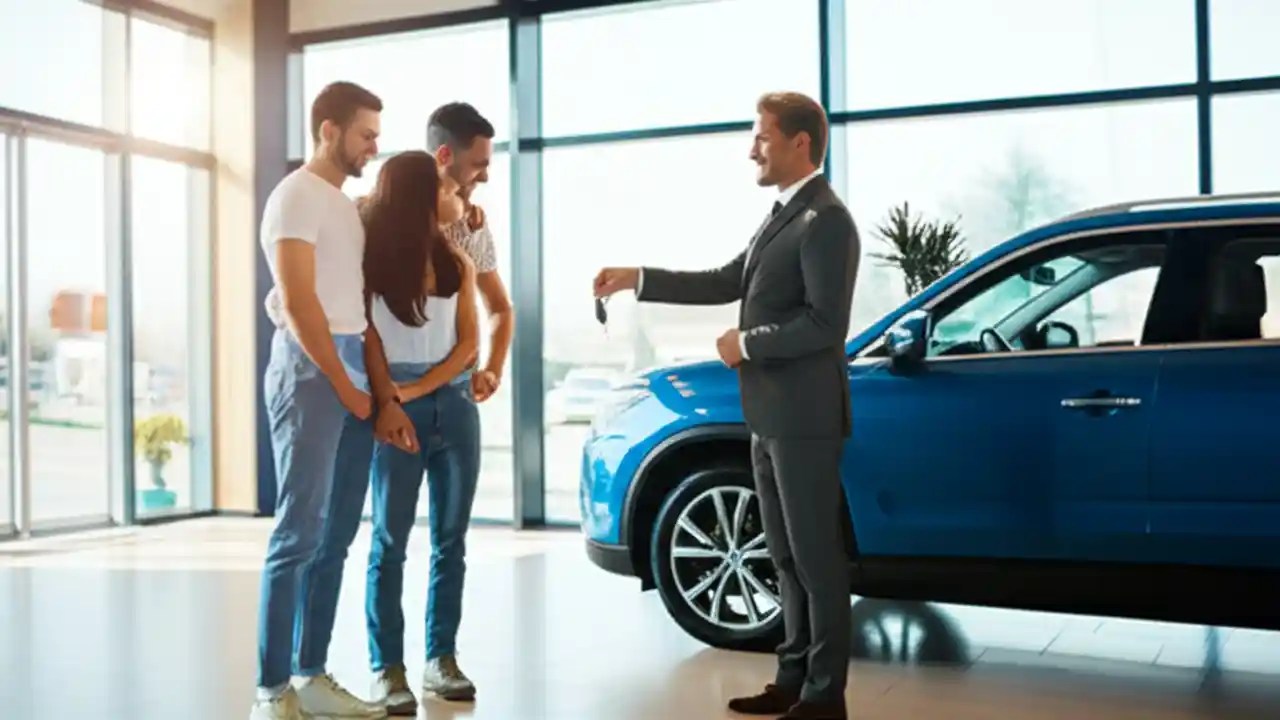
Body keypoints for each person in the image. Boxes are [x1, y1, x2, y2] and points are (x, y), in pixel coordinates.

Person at [593, 92, 860, 720]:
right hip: (768, 417)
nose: (752, 150)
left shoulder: (827, 221)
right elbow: (725, 280)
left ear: (801, 143)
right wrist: (639, 277)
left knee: (817, 560)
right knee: (785, 555)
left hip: (806, 420)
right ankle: (792, 679)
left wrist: (747, 342)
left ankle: (826, 698)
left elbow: (826, 324)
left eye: (762, 138)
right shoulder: (783, 216)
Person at [253, 80, 416, 720]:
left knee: (336, 535)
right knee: (298, 532)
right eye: (366, 134)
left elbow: (358, 311)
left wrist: (377, 394)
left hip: (348, 366)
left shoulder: (344, 206)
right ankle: (271, 692)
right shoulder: (294, 196)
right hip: (309, 369)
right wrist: (345, 386)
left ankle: (311, 672)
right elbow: (299, 303)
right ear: (329, 130)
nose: (375, 146)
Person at [356, 151, 481, 713]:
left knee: (450, 541)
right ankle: (388, 668)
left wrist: (420, 388)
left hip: (452, 407)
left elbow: (469, 345)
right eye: (441, 185)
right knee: (389, 542)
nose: (453, 189)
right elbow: (369, 341)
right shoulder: (372, 261)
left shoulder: (458, 259)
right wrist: (390, 398)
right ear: (418, 195)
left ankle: (441, 658)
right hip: (397, 410)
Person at [426, 102, 513, 404]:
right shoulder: (382, 221)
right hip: (399, 391)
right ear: (445, 156)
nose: (485, 177)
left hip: (457, 392)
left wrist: (492, 370)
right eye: (478, 164)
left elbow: (500, 308)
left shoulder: (473, 228)